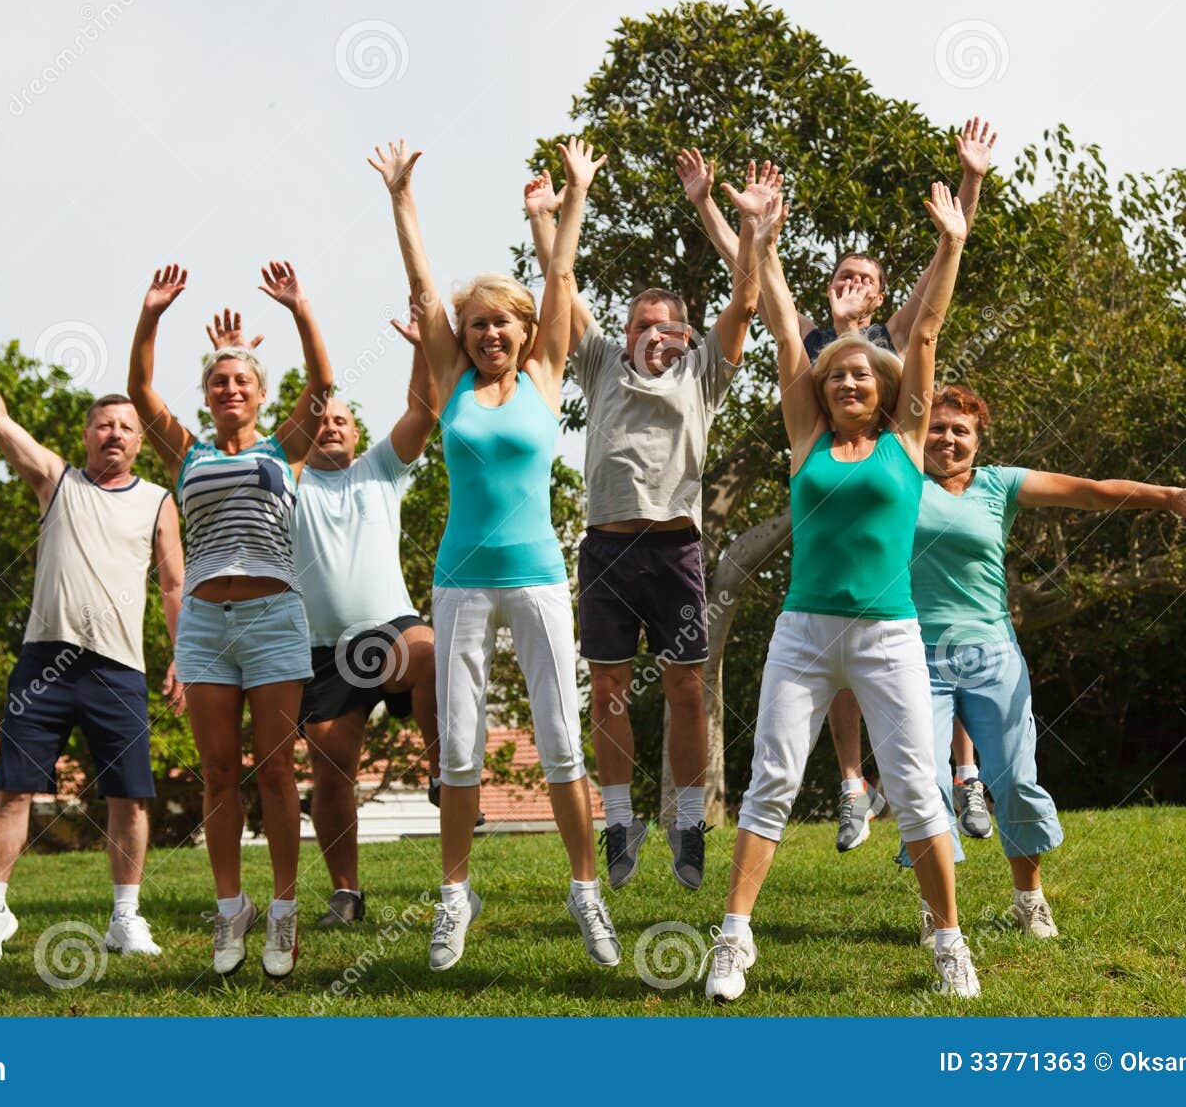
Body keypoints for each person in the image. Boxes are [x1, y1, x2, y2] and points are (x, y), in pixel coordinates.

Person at [682, 117, 999, 853]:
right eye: (840, 276)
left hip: (891, 504)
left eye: (863, 277)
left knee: (929, 633)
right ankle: (854, 782)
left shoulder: (889, 338)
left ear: (881, 292)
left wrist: (970, 184)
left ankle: (962, 772)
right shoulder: (809, 356)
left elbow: (938, 292)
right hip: (830, 507)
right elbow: (759, 284)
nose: (849, 284)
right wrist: (725, 215)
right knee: (834, 641)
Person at [705, 178, 981, 1002]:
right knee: (772, 781)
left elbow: (925, 326)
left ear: (888, 390)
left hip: (889, 633)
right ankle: (733, 939)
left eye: (862, 375)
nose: (849, 381)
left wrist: (951, 241)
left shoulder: (906, 436)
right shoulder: (806, 440)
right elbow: (788, 328)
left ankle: (949, 943)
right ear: (820, 392)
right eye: (837, 377)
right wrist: (760, 238)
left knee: (917, 782)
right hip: (803, 633)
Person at [370, 136, 619, 971]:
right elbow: (421, 287)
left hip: (542, 578)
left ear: (524, 330)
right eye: (474, 325)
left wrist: (572, 197)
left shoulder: (549, 371)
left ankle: (586, 890)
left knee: (559, 739)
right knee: (461, 746)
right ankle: (454, 894)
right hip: (462, 583)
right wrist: (402, 197)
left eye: (499, 323)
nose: (486, 334)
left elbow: (561, 281)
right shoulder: (451, 386)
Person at [521, 157, 759, 892]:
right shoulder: (598, 362)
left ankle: (690, 819)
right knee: (611, 686)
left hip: (676, 548)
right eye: (642, 325)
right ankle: (619, 816)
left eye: (668, 326)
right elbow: (560, 287)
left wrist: (745, 223)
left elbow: (747, 302)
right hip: (607, 548)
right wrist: (544, 217)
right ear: (623, 334)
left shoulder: (703, 373)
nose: (655, 335)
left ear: (686, 336)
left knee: (688, 685)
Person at [900, 383, 1186, 942]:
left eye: (960, 430)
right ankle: (936, 910)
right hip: (915, 657)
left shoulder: (1000, 484)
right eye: (938, 428)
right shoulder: (899, 479)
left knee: (1016, 777)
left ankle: (1029, 899)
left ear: (978, 439)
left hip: (993, 653)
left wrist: (1163, 497)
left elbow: (1090, 492)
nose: (947, 439)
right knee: (922, 785)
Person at [0, 290, 185, 968]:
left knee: (131, 798)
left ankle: (124, 918)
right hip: (44, 662)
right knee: (13, 789)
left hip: (119, 667)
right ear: (86, 435)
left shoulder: (157, 501)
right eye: (102, 424)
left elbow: (173, 584)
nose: (113, 433)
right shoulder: (56, 482)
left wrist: (182, 656)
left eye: (125, 426)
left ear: (141, 441)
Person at [127, 261, 333, 979]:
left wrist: (302, 309)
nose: (230, 388)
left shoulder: (286, 448)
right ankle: (229, 907)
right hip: (207, 626)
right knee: (218, 772)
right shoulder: (187, 450)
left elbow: (324, 387)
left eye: (242, 379)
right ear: (209, 397)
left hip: (275, 616)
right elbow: (138, 392)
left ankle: (282, 908)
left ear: (259, 393)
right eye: (218, 381)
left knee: (276, 769)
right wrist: (152, 314)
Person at [293, 309, 441, 928]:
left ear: (357, 435)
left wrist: (420, 349)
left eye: (342, 421)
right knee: (332, 775)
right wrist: (305, 316)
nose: (331, 426)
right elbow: (314, 397)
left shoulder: (379, 470)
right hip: (322, 652)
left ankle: (441, 769)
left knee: (432, 650)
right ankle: (346, 894)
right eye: (321, 420)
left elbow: (425, 410)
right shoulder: (289, 480)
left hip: (388, 631)